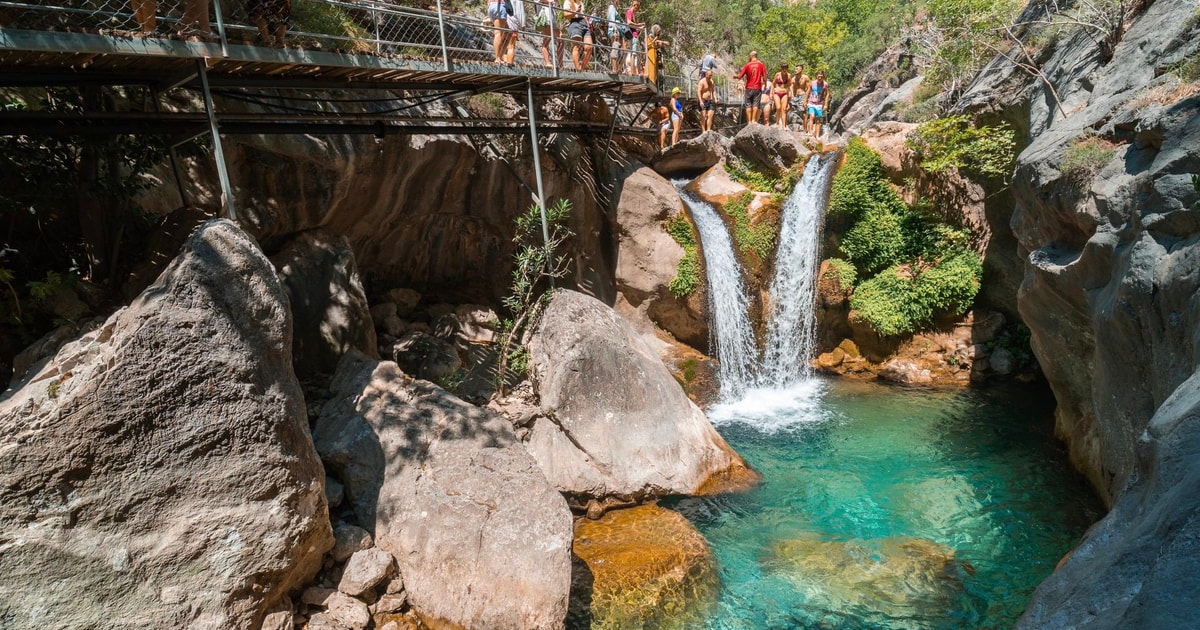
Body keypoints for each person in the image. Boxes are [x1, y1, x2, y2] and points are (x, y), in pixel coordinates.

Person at [736, 50, 766, 125]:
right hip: (757, 87)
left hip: (749, 87)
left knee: (748, 104)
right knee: (756, 104)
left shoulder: (747, 65)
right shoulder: (761, 64)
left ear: (751, 56)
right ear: (756, 56)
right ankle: (753, 120)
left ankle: (749, 122)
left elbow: (740, 76)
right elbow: (764, 75)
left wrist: (735, 76)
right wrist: (764, 84)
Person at [537, 0, 563, 69]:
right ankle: (547, 63)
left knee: (561, 39)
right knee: (547, 40)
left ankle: (561, 64)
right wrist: (548, 1)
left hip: (553, 18)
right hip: (545, 17)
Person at [563, 0, 587, 70]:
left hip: (584, 23)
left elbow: (582, 14)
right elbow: (566, 15)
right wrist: (576, 11)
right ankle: (578, 69)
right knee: (576, 46)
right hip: (575, 22)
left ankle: (582, 67)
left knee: (589, 47)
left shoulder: (580, 2)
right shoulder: (568, 2)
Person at [806, 70, 830, 136]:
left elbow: (827, 94)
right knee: (812, 116)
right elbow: (808, 92)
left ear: (823, 77)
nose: (820, 78)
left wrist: (826, 105)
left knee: (818, 120)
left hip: (819, 104)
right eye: (818, 76)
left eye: (821, 77)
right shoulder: (812, 83)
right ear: (816, 76)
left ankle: (817, 136)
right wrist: (805, 101)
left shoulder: (825, 84)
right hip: (811, 103)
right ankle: (810, 132)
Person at [645, 24, 669, 88]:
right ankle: (650, 82)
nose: (658, 33)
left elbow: (658, 42)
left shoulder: (655, 37)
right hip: (650, 53)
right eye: (658, 31)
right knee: (651, 68)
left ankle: (653, 83)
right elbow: (647, 45)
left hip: (654, 54)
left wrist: (663, 43)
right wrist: (654, 40)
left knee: (654, 70)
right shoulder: (650, 36)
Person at [503, 0, 525, 64]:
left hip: (504, 21)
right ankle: (509, 63)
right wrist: (523, 27)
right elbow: (521, 13)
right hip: (513, 23)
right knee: (511, 46)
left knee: (504, 44)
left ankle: (505, 62)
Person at [625, 0, 644, 75]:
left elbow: (633, 25)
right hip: (633, 36)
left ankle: (636, 70)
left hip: (635, 35)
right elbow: (629, 23)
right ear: (635, 5)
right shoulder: (629, 12)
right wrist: (639, 25)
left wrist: (639, 26)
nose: (638, 9)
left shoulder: (633, 13)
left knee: (637, 53)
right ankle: (633, 72)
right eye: (637, 7)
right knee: (634, 53)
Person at [771, 62, 790, 129]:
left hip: (784, 93)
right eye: (783, 68)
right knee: (778, 108)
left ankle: (784, 125)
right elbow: (773, 84)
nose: (784, 69)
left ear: (787, 68)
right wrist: (771, 93)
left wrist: (790, 92)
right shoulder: (777, 74)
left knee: (784, 110)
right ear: (781, 68)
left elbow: (790, 85)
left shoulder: (789, 75)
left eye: (785, 68)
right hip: (777, 92)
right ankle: (777, 123)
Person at [606, 0, 621, 73]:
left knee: (616, 49)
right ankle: (614, 69)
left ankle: (616, 68)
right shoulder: (612, 7)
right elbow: (612, 20)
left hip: (615, 30)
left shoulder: (614, 8)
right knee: (615, 49)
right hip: (613, 30)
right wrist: (615, 31)